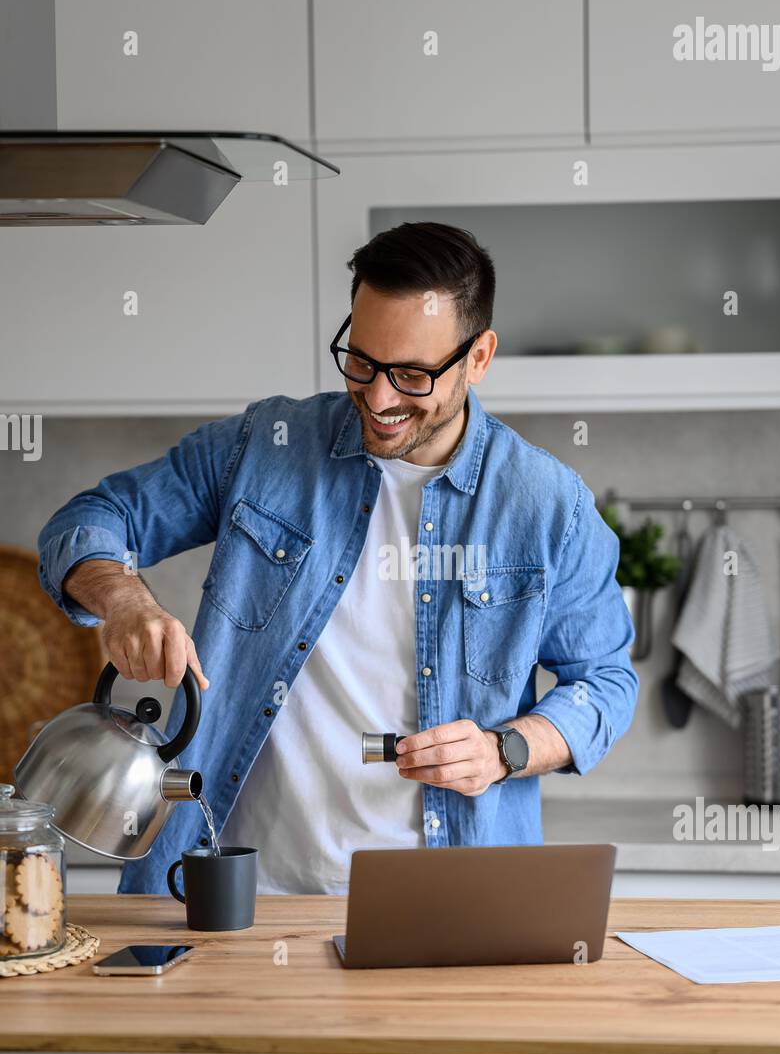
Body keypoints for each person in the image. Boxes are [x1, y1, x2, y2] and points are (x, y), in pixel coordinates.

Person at [38, 221, 638, 894]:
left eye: (413, 375)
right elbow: (90, 520)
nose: (379, 399)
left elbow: (607, 681)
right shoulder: (267, 446)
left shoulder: (547, 505)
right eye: (361, 361)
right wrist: (124, 600)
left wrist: (507, 750)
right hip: (222, 901)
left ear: (479, 357)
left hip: (443, 906)